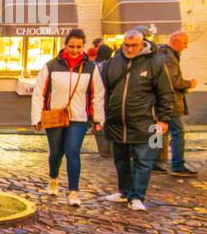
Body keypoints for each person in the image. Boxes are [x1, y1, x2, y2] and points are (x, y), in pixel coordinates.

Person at [101, 28, 177, 211]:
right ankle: (124, 192)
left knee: (144, 160)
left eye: (133, 45)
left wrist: (164, 119)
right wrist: (104, 115)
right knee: (121, 160)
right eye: (126, 45)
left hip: (148, 124)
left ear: (142, 43)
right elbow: (106, 91)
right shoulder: (114, 62)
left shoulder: (156, 62)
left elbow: (165, 93)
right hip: (118, 122)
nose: (129, 48)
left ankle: (137, 196)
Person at [30, 28, 105, 206]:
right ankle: (53, 179)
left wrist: (98, 118)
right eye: (71, 46)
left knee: (72, 152)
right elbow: (39, 92)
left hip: (78, 118)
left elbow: (97, 94)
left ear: (83, 46)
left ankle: (73, 192)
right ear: (65, 46)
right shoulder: (51, 66)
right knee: (56, 152)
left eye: (79, 46)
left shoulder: (90, 68)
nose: (75, 50)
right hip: (54, 116)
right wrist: (36, 117)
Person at [153, 31, 197, 176]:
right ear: (176, 41)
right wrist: (189, 83)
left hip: (160, 100)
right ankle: (178, 165)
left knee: (159, 131)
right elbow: (172, 81)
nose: (186, 46)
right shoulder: (169, 58)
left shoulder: (163, 54)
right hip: (170, 102)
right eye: (185, 42)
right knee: (177, 132)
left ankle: (151, 162)